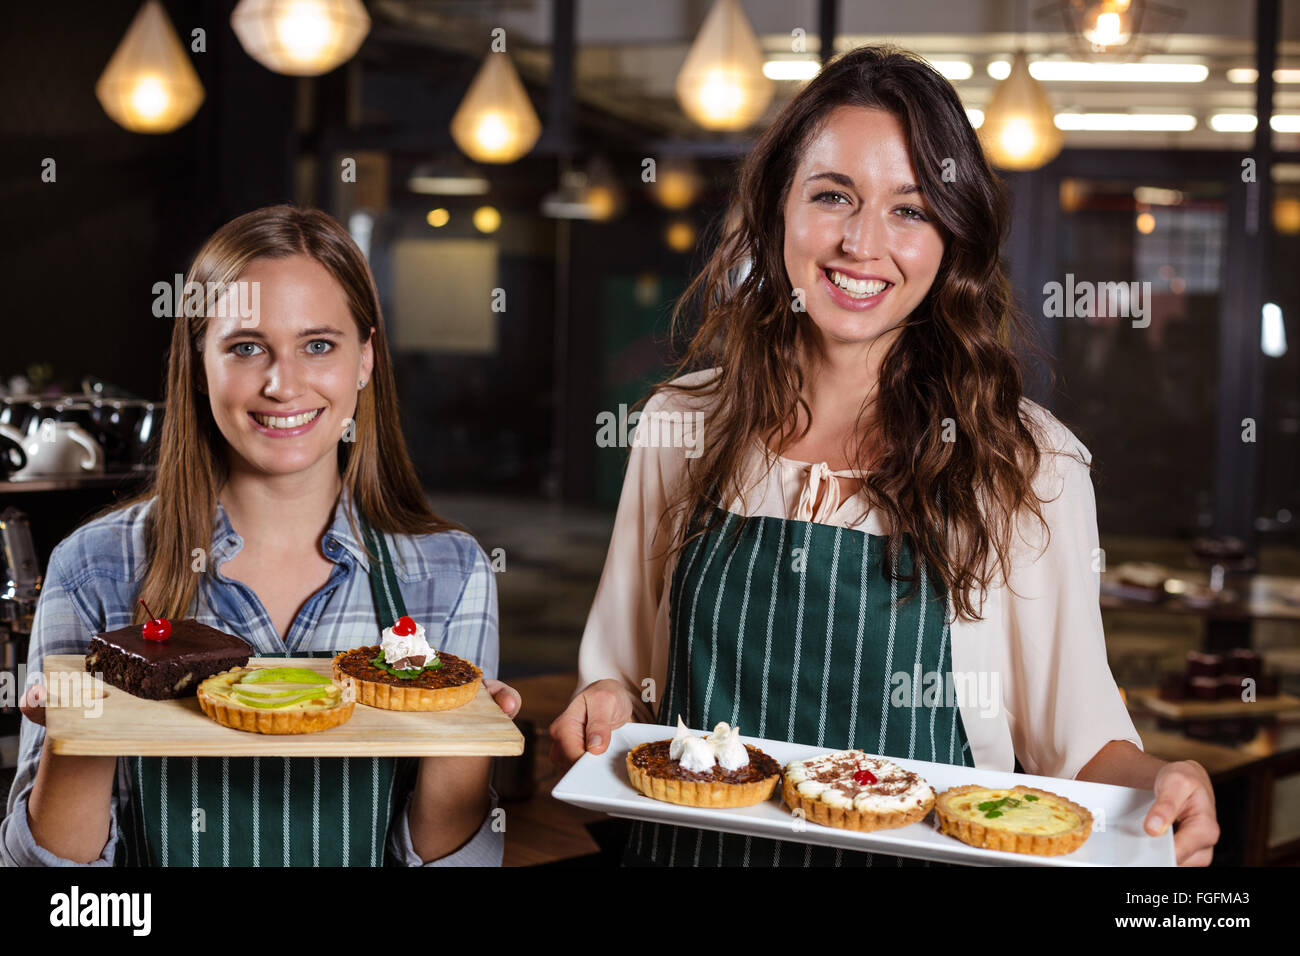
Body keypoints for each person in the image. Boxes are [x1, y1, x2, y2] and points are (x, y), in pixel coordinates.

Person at [550, 46, 1219, 866]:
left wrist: (1162, 784)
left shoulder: (1026, 465)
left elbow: (1075, 745)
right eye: (833, 196)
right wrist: (604, 701)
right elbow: (623, 683)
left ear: (952, 237)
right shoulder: (681, 425)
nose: (864, 243)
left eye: (910, 209)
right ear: (776, 213)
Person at [3, 204, 520, 866]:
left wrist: (464, 731)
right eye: (247, 347)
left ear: (364, 360)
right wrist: (80, 727)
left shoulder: (450, 575)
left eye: (318, 345)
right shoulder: (96, 567)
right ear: (198, 362)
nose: (282, 384)